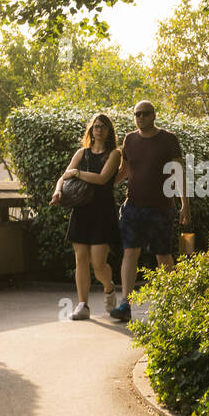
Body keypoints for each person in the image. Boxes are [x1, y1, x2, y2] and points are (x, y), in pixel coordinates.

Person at [108, 100, 190, 322]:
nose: (140, 117)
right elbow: (124, 169)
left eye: (145, 113)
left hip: (161, 209)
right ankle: (125, 303)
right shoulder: (130, 140)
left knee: (163, 255)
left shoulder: (168, 139)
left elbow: (178, 173)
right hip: (133, 207)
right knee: (130, 252)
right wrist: (104, 186)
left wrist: (185, 205)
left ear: (154, 115)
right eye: (137, 114)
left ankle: (172, 302)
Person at [50, 113, 122, 320]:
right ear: (91, 130)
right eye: (95, 126)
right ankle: (83, 305)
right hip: (82, 210)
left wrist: (78, 174)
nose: (98, 130)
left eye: (102, 126)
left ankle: (109, 287)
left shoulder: (114, 154)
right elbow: (64, 176)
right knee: (81, 259)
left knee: (98, 263)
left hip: (102, 211)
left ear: (108, 131)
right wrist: (58, 192)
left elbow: (101, 179)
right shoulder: (82, 153)